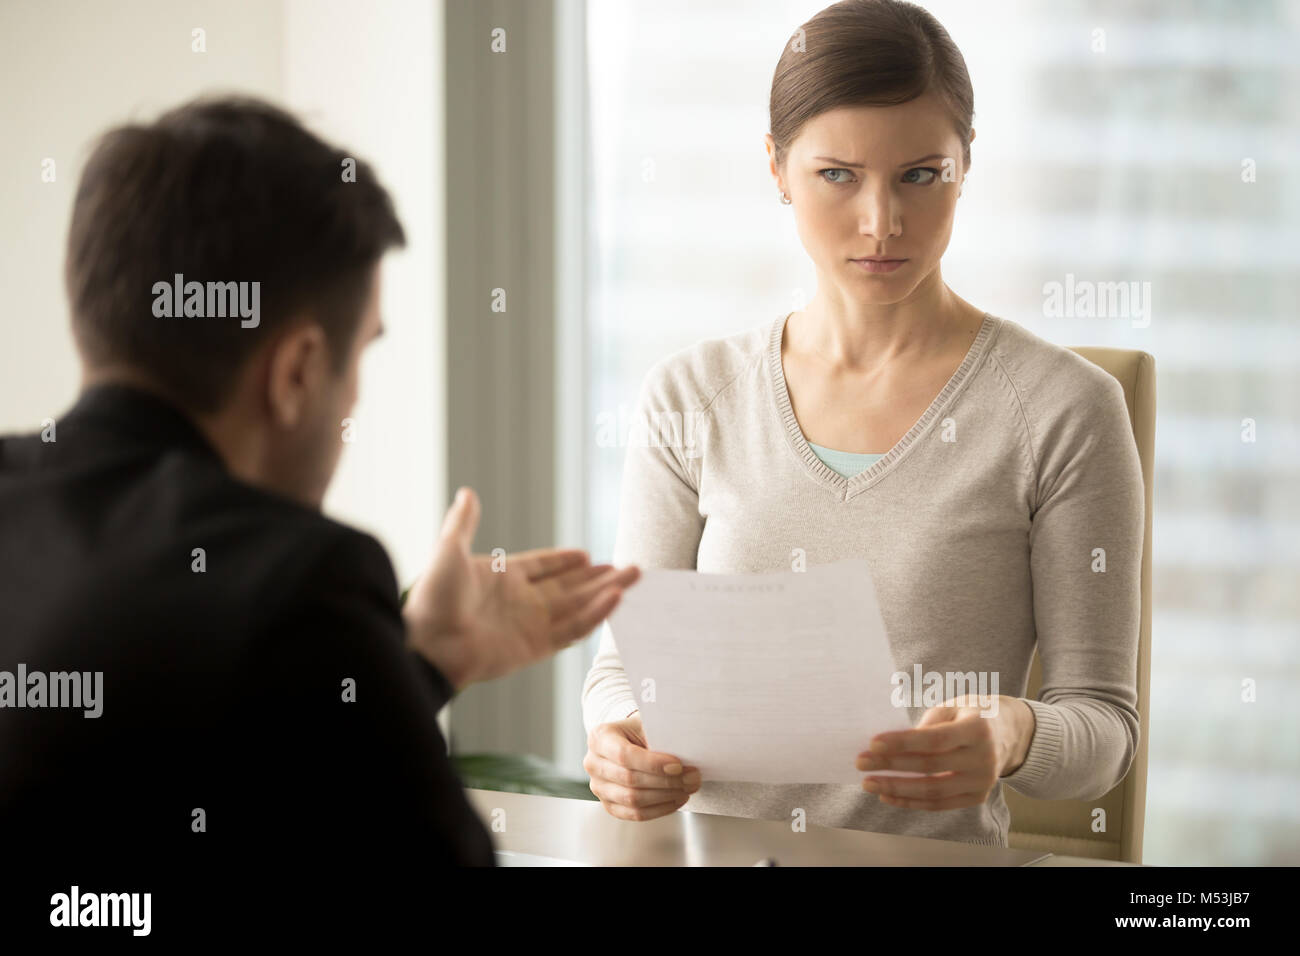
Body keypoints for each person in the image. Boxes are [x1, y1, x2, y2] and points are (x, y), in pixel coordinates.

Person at [0, 95, 639, 890]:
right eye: (360, 356)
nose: (354, 400)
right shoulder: (299, 583)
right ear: (298, 371)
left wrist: (419, 662)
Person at [582, 0, 1143, 846]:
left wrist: (1015, 733)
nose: (882, 222)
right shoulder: (689, 398)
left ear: (965, 166)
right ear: (776, 169)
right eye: (837, 175)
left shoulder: (1066, 411)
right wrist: (620, 741)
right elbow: (625, 673)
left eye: (921, 174)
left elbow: (1103, 727)